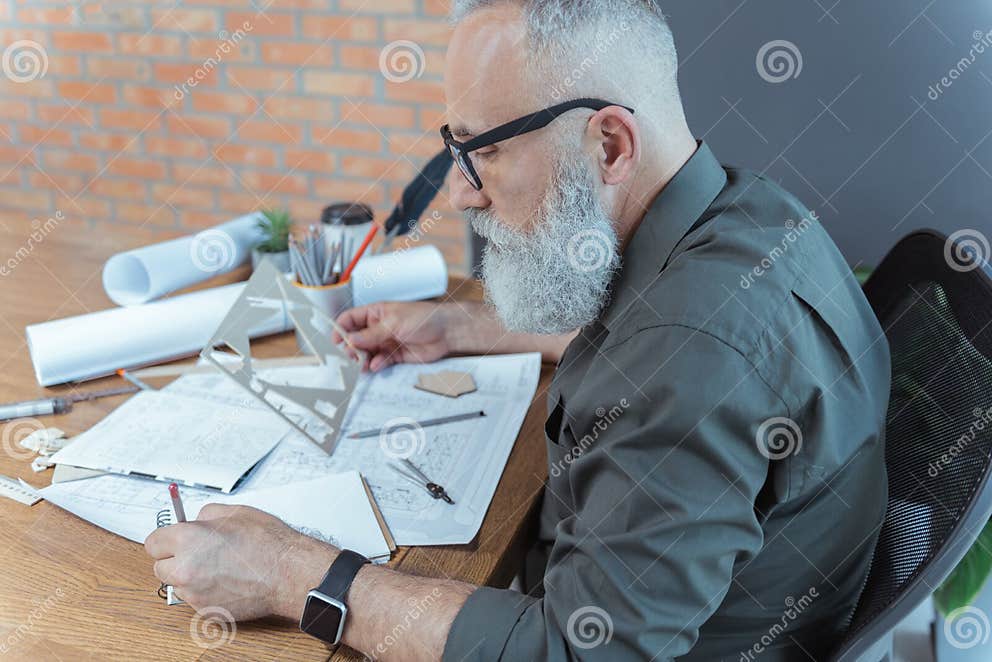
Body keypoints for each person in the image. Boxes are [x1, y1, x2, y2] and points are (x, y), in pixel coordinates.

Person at [145, 1, 891, 659]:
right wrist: (466, 326)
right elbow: (646, 329)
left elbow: (572, 651)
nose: (463, 193)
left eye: (486, 150)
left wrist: (291, 574)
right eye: (457, 149)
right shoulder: (749, 218)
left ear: (609, 147)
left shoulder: (690, 359)